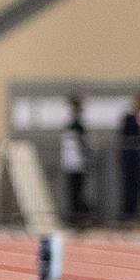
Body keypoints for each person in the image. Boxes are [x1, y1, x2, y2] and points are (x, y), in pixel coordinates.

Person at [60, 94, 91, 227]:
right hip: (72, 162)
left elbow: (82, 143)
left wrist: (85, 158)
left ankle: (79, 216)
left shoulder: (77, 125)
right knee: (74, 191)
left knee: (77, 190)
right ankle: (76, 215)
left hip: (77, 163)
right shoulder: (73, 125)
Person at [120, 92, 140, 222]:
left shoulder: (136, 119)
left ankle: (132, 210)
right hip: (130, 158)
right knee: (130, 185)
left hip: (134, 158)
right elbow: (130, 138)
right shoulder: (130, 119)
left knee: (135, 185)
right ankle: (128, 211)